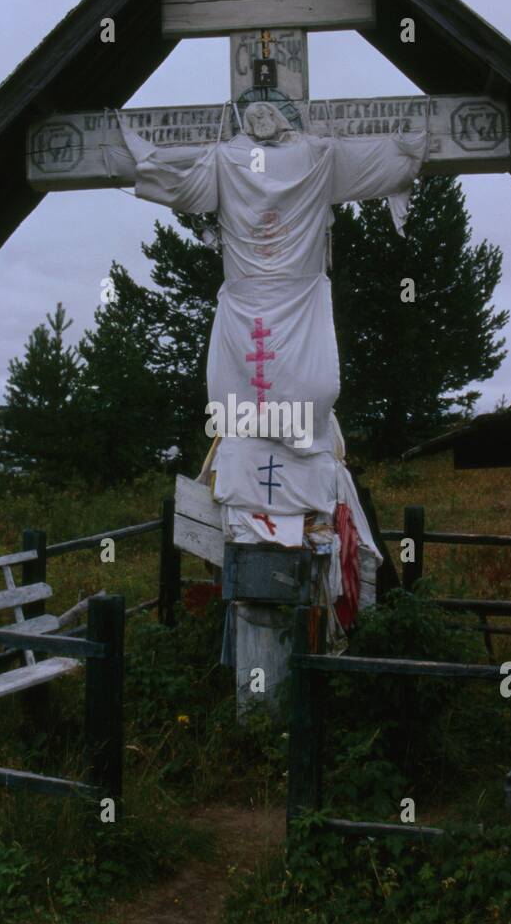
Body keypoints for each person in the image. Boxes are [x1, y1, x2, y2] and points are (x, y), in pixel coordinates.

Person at [117, 100, 429, 622]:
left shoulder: (250, 158)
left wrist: (139, 158)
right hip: (267, 301)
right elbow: (377, 161)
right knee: (295, 391)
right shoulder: (303, 156)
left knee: (298, 391)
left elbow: (173, 177)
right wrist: (409, 150)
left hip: (271, 300)